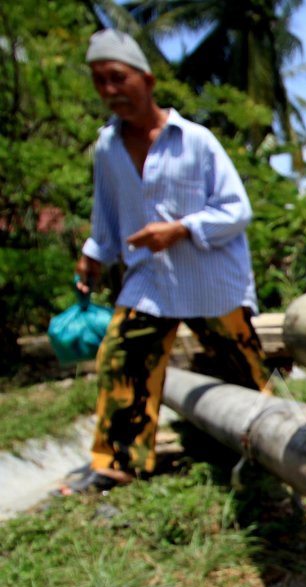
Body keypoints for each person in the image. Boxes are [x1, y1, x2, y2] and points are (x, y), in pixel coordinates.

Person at [64, 29, 269, 494]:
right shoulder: (107, 147)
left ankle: (267, 445)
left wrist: (179, 229)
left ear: (148, 80)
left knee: (244, 368)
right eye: (99, 81)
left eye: (117, 77)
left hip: (211, 281)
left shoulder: (195, 141)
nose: (109, 90)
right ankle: (118, 463)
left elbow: (236, 210)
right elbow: (106, 214)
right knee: (122, 356)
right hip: (150, 280)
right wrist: (93, 254)